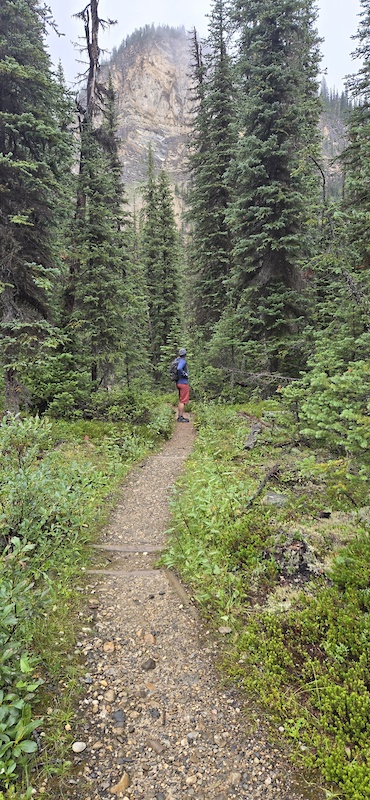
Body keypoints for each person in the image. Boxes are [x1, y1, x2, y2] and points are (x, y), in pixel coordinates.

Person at [176, 347, 190, 422]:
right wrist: (185, 374)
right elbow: (179, 368)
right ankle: (180, 417)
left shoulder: (177, 360)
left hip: (178, 383)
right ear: (185, 354)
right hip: (183, 383)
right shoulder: (183, 361)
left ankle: (179, 416)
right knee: (183, 401)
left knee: (181, 400)